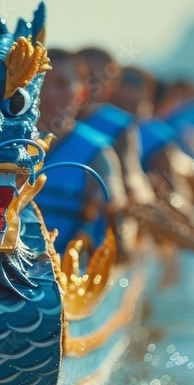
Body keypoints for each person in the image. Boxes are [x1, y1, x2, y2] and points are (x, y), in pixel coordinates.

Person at [34, 48, 127, 253]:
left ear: (83, 93)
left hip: (60, 269)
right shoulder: (5, 144)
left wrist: (111, 200)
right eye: (39, 81)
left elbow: (113, 191)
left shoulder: (97, 152)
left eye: (61, 84)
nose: (47, 93)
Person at [74, 47, 156, 207]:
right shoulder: (34, 120)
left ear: (110, 88)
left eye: (94, 80)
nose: (86, 86)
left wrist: (135, 193)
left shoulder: (121, 128)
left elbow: (133, 177)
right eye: (81, 77)